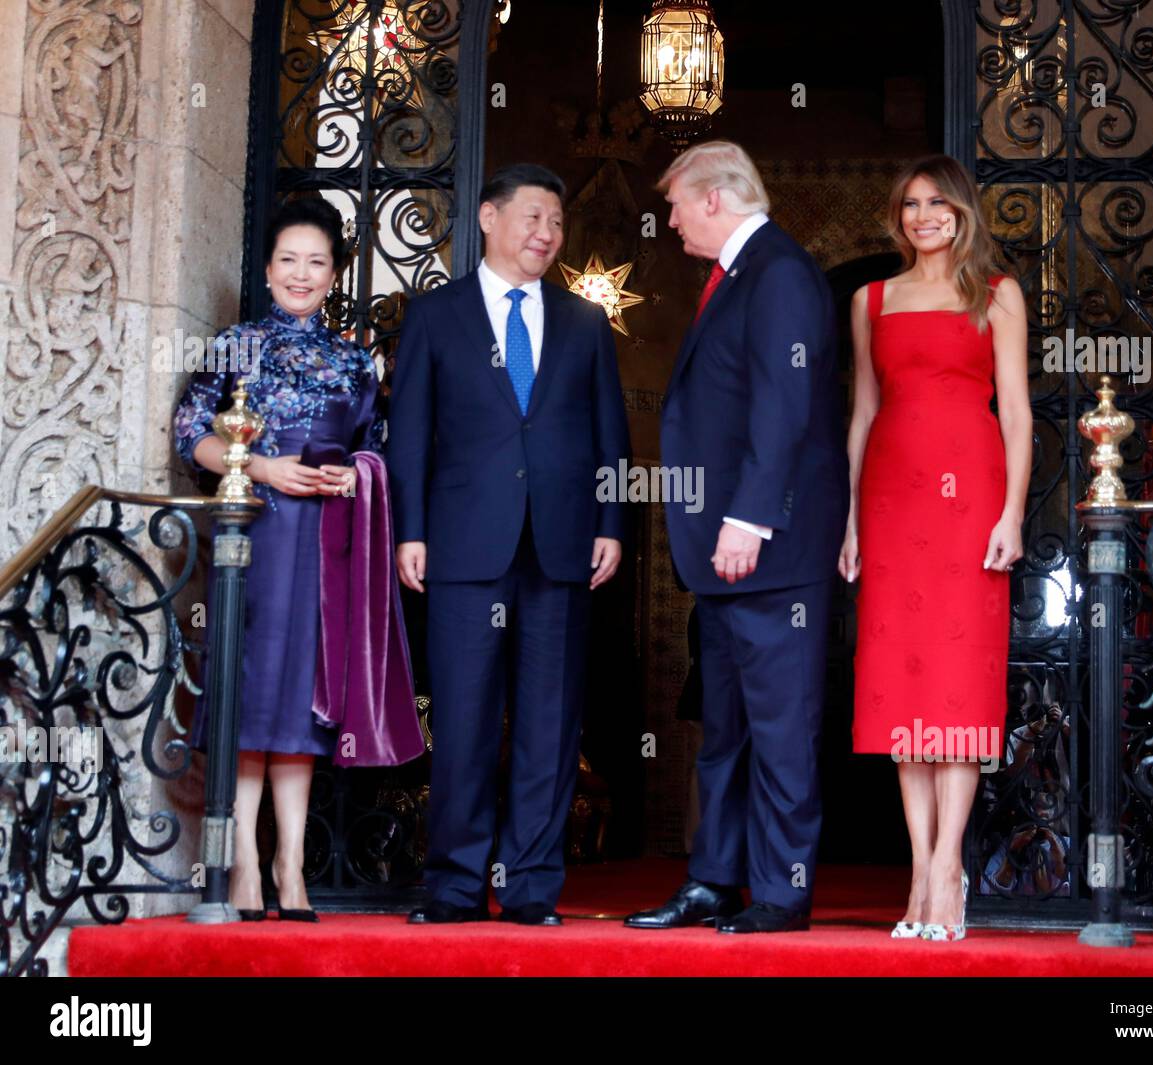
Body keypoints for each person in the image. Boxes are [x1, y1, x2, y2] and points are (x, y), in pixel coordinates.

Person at [387, 163, 631, 927]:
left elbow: (610, 437)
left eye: (555, 222)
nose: (546, 234)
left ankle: (531, 888)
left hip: (562, 547)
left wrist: (612, 524)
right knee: (461, 720)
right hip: (462, 546)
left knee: (550, 725)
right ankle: (454, 886)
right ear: (489, 218)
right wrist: (411, 531)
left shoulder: (586, 322)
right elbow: (412, 436)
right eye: (532, 217)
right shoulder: (436, 316)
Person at [174, 197, 424, 922]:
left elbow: (379, 444)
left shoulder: (354, 359)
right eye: (289, 260)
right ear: (268, 267)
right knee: (253, 688)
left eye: (317, 262)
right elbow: (192, 432)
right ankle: (246, 862)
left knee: (304, 703)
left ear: (335, 274)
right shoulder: (237, 344)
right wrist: (260, 468)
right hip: (252, 541)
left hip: (327, 548)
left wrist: (357, 474)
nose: (301, 273)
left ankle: (290, 863)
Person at [625, 141, 848, 934]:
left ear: (715, 199)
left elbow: (783, 408)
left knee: (782, 732)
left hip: (765, 550)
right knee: (724, 733)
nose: (673, 217)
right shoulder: (738, 278)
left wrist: (749, 518)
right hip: (726, 558)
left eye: (678, 204)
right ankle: (714, 880)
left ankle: (782, 895)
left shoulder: (780, 273)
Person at [839, 154, 1031, 942]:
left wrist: (1011, 513)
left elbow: (1016, 413)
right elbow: (862, 413)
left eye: (938, 203)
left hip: (970, 503)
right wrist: (851, 520)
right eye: (911, 204)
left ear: (962, 212)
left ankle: (949, 867)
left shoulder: (998, 295)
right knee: (902, 690)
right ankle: (918, 868)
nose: (924, 216)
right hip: (891, 503)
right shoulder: (870, 300)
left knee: (958, 687)